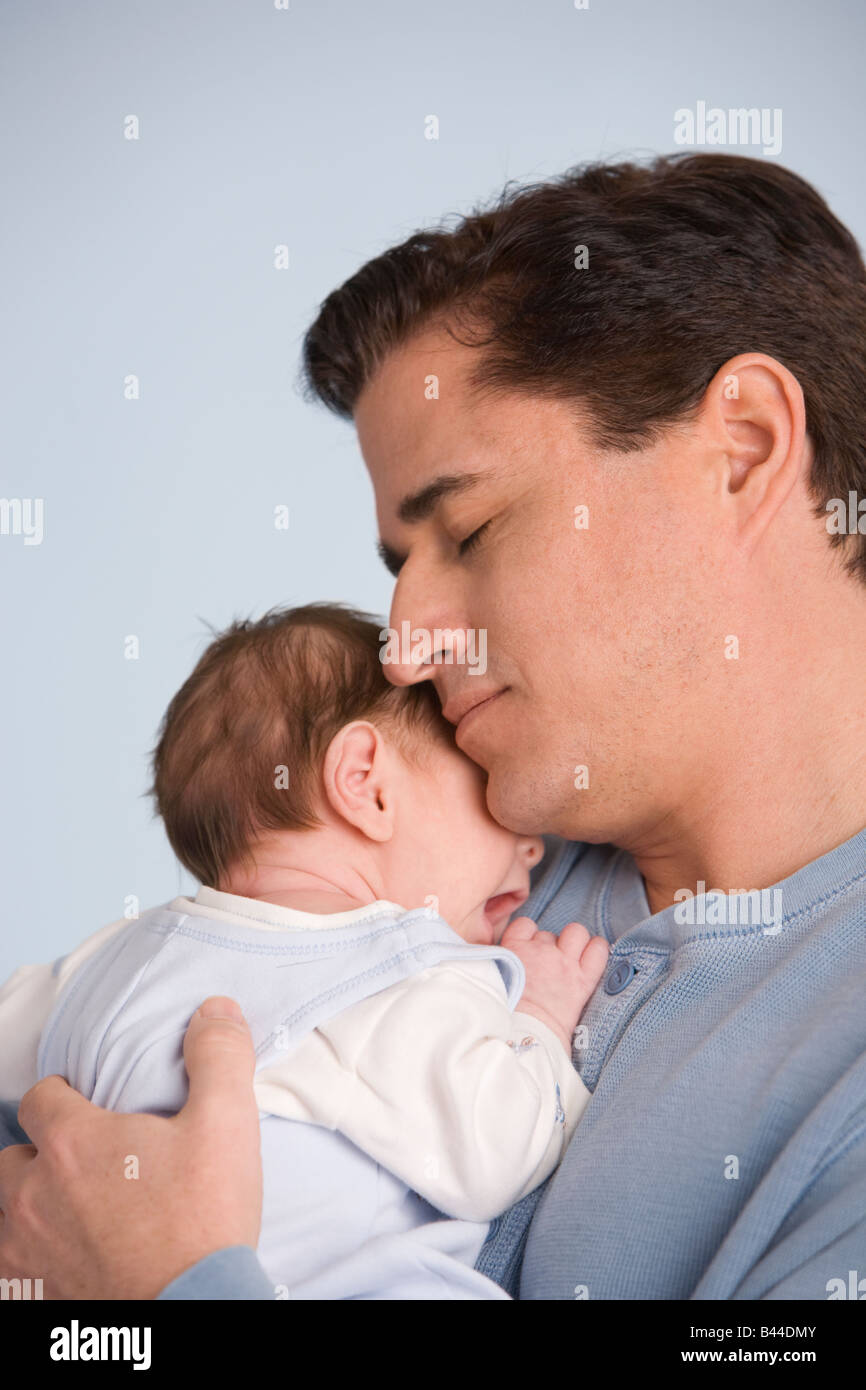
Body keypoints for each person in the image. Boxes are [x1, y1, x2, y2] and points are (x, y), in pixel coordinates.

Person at [2, 151, 865, 1299]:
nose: (403, 647)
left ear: (742, 449)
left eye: (467, 530)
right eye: (399, 567)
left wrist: (169, 1293)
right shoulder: (443, 849)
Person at [0, 602, 608, 1299]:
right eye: (486, 780)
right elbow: (494, 1154)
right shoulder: (410, 972)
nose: (530, 841)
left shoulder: (106, 959)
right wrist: (541, 1016)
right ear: (364, 784)